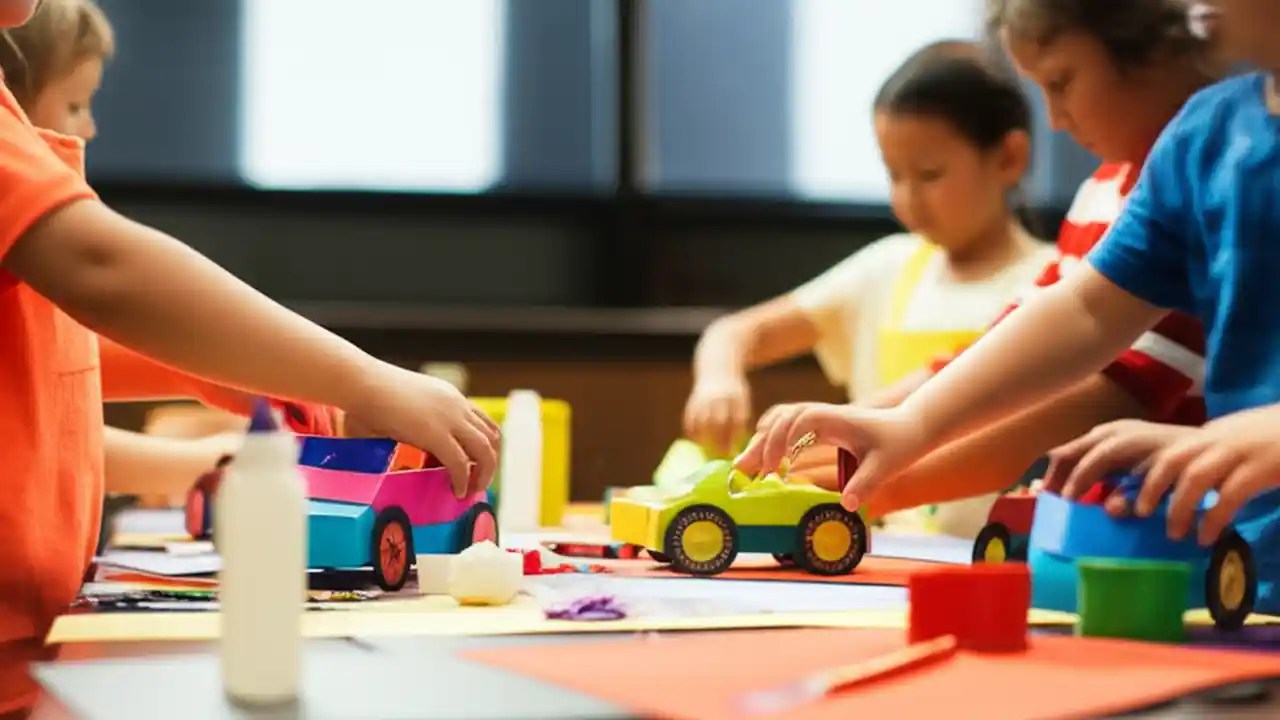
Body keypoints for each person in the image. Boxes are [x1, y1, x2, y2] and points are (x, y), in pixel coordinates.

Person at [0, 0, 497, 714]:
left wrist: (224, 369)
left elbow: (53, 348)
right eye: (76, 105)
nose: (91, 126)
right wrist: (365, 378)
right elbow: (99, 267)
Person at [738, 0, 1280, 547]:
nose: (1054, 119)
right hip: (1240, 549)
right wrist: (909, 423)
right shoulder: (1204, 137)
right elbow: (1084, 311)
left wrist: (894, 470)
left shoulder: (1196, 145)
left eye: (1061, 82)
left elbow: (1115, 385)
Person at [684, 41, 1054, 533]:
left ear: (1009, 157)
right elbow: (734, 332)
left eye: (929, 175)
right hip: (878, 552)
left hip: (993, 554)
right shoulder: (886, 268)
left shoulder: (1057, 282)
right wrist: (719, 379)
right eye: (894, 174)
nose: (907, 199)